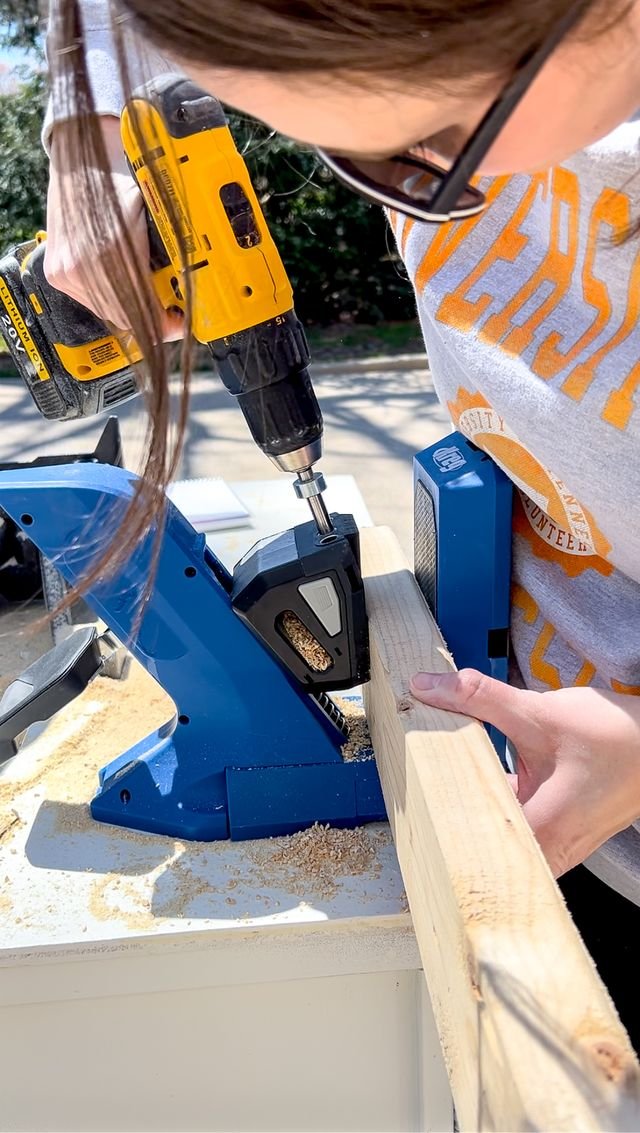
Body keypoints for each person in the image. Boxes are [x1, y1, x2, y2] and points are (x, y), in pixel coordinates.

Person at [43, 0, 640, 941]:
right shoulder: (491, 84)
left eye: (422, 150)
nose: (399, 187)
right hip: (558, 791)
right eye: (353, 159)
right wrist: (90, 144)